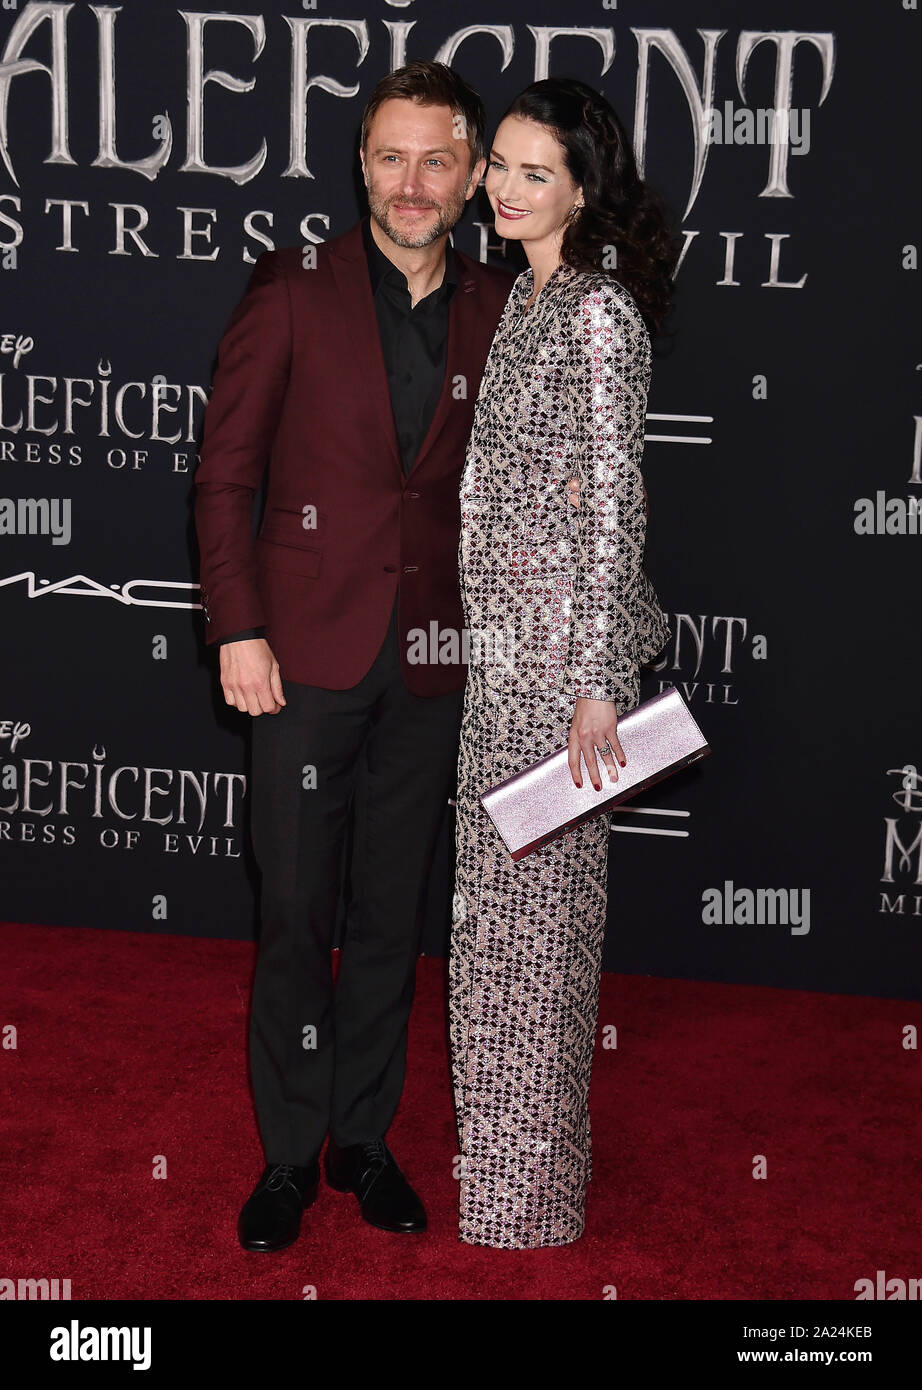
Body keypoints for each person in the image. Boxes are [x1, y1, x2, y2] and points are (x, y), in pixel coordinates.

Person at [193, 61, 515, 1253]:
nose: (412, 182)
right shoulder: (290, 291)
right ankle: (287, 1154)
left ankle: (361, 1140)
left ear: (475, 172)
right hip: (303, 655)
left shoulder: (502, 306)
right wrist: (237, 627)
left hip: (437, 660)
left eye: (437, 158)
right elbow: (226, 476)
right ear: (361, 164)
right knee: (292, 912)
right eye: (391, 156)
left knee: (392, 912)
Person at [449, 77, 679, 1248]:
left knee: (536, 941)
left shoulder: (597, 313)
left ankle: (529, 1201)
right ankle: (496, 1177)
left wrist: (597, 680)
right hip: (501, 660)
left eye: (535, 172)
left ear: (583, 193)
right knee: (493, 931)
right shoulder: (527, 298)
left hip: (558, 686)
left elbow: (609, 509)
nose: (502, 185)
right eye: (498, 161)